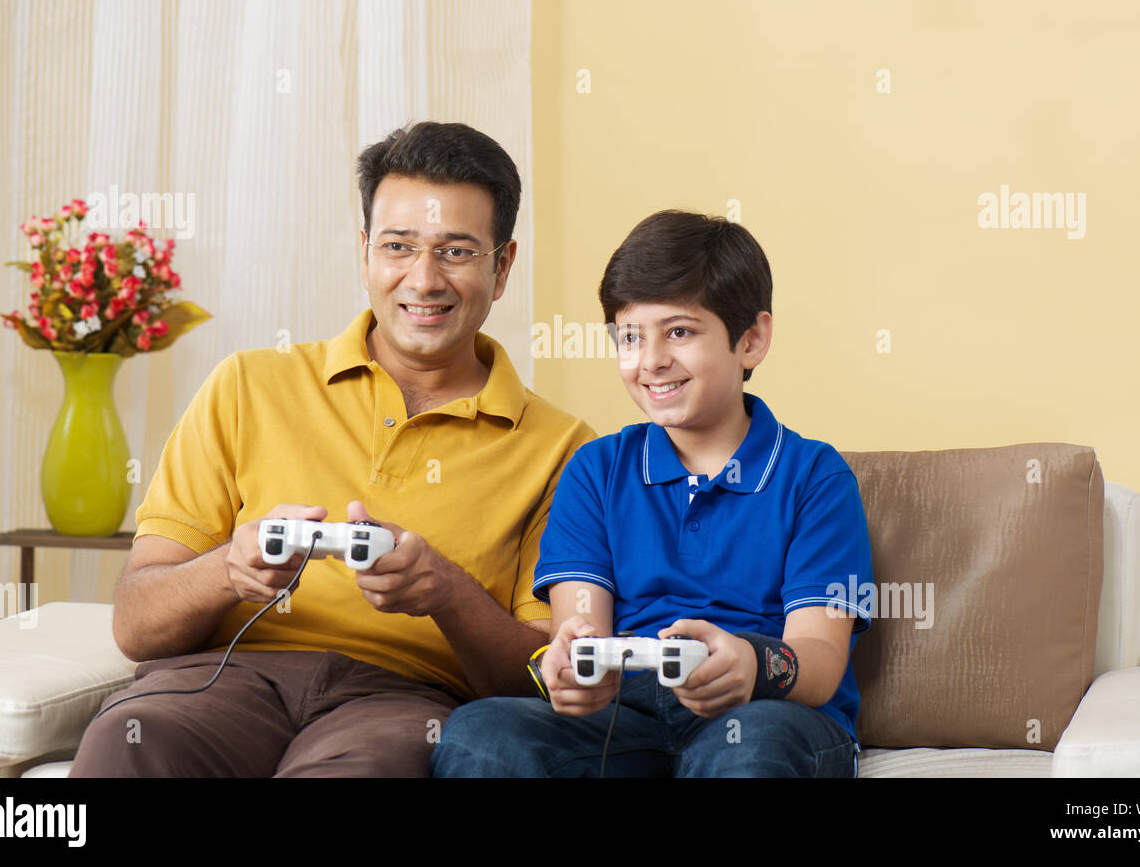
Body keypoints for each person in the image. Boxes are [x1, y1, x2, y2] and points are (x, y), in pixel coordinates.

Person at [69, 121, 594, 777]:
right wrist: (228, 568)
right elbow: (135, 625)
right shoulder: (247, 385)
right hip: (225, 678)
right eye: (398, 246)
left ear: (503, 265)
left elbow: (551, 677)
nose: (423, 279)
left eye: (456, 252)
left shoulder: (566, 449)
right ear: (366, 252)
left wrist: (446, 593)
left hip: (403, 700)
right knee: (129, 738)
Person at [430, 210, 874, 777]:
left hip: (766, 713)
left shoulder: (814, 476)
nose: (652, 360)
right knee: (479, 734)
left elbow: (820, 659)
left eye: (680, 332)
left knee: (752, 747)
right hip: (627, 714)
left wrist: (751, 663)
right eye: (631, 336)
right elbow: (581, 627)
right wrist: (572, 669)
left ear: (752, 340)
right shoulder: (596, 470)